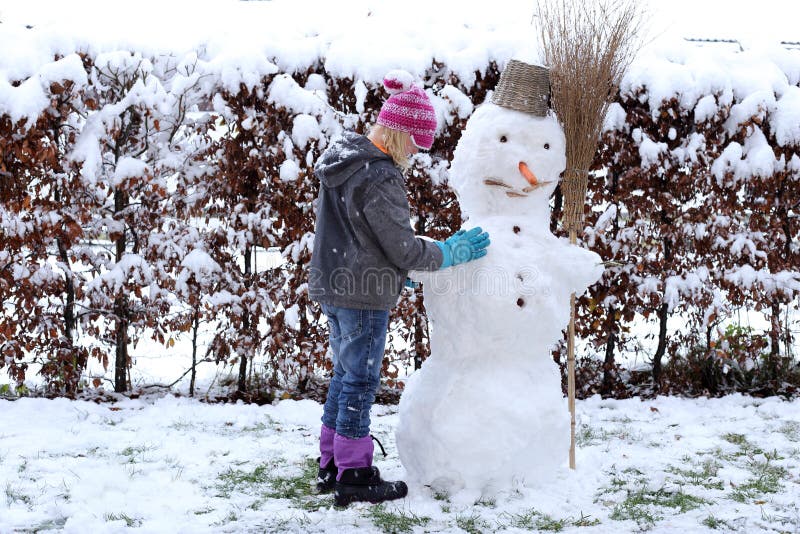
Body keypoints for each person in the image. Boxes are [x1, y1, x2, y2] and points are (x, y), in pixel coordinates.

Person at [308, 70, 490, 506]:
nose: (414, 155)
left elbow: (358, 236)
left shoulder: (344, 162)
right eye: (414, 143)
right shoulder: (379, 174)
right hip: (362, 296)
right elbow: (404, 248)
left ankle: (331, 462)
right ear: (397, 131)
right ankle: (354, 474)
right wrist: (450, 251)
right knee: (361, 380)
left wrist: (390, 269)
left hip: (335, 285)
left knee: (345, 375)